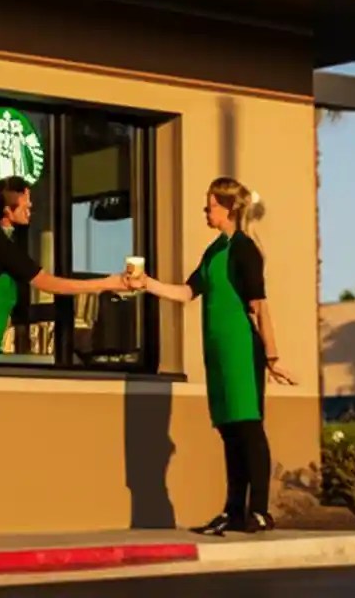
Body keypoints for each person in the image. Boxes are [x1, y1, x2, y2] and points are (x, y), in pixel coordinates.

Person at [126, 177, 296, 535]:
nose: (206, 211)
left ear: (229, 208)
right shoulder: (214, 251)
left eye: (211, 206)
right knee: (229, 431)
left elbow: (259, 306)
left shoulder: (244, 250)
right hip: (216, 354)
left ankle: (260, 511)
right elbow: (188, 292)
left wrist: (273, 356)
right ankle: (233, 511)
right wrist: (147, 284)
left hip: (241, 351)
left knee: (249, 428)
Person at [0, 176, 126, 363]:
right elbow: (47, 282)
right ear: (8, 211)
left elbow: (18, 309)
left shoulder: (1, 240)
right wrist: (107, 283)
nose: (30, 208)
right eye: (26, 205)